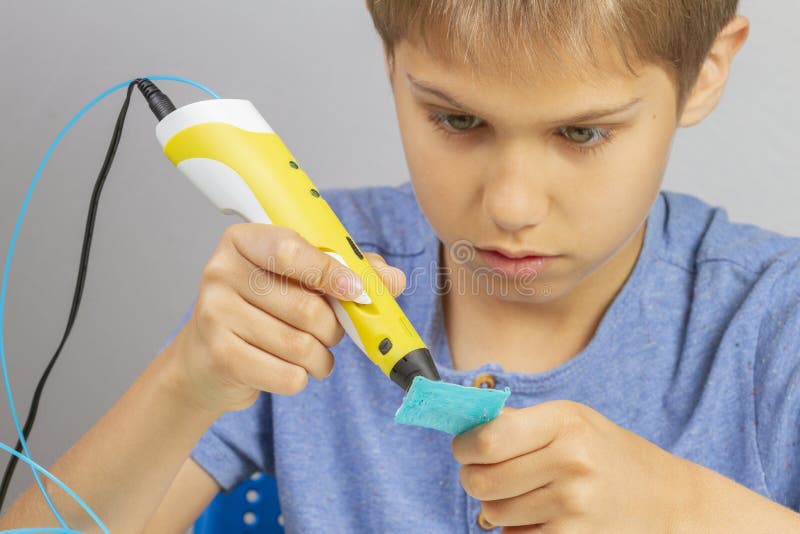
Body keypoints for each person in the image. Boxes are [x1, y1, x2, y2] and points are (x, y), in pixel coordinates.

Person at [2, 1, 799, 532]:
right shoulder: (307, 274)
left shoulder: (774, 322)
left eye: (582, 134)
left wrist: (683, 507)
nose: (512, 205)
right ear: (392, 63)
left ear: (707, 71)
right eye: (457, 118)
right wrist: (186, 384)